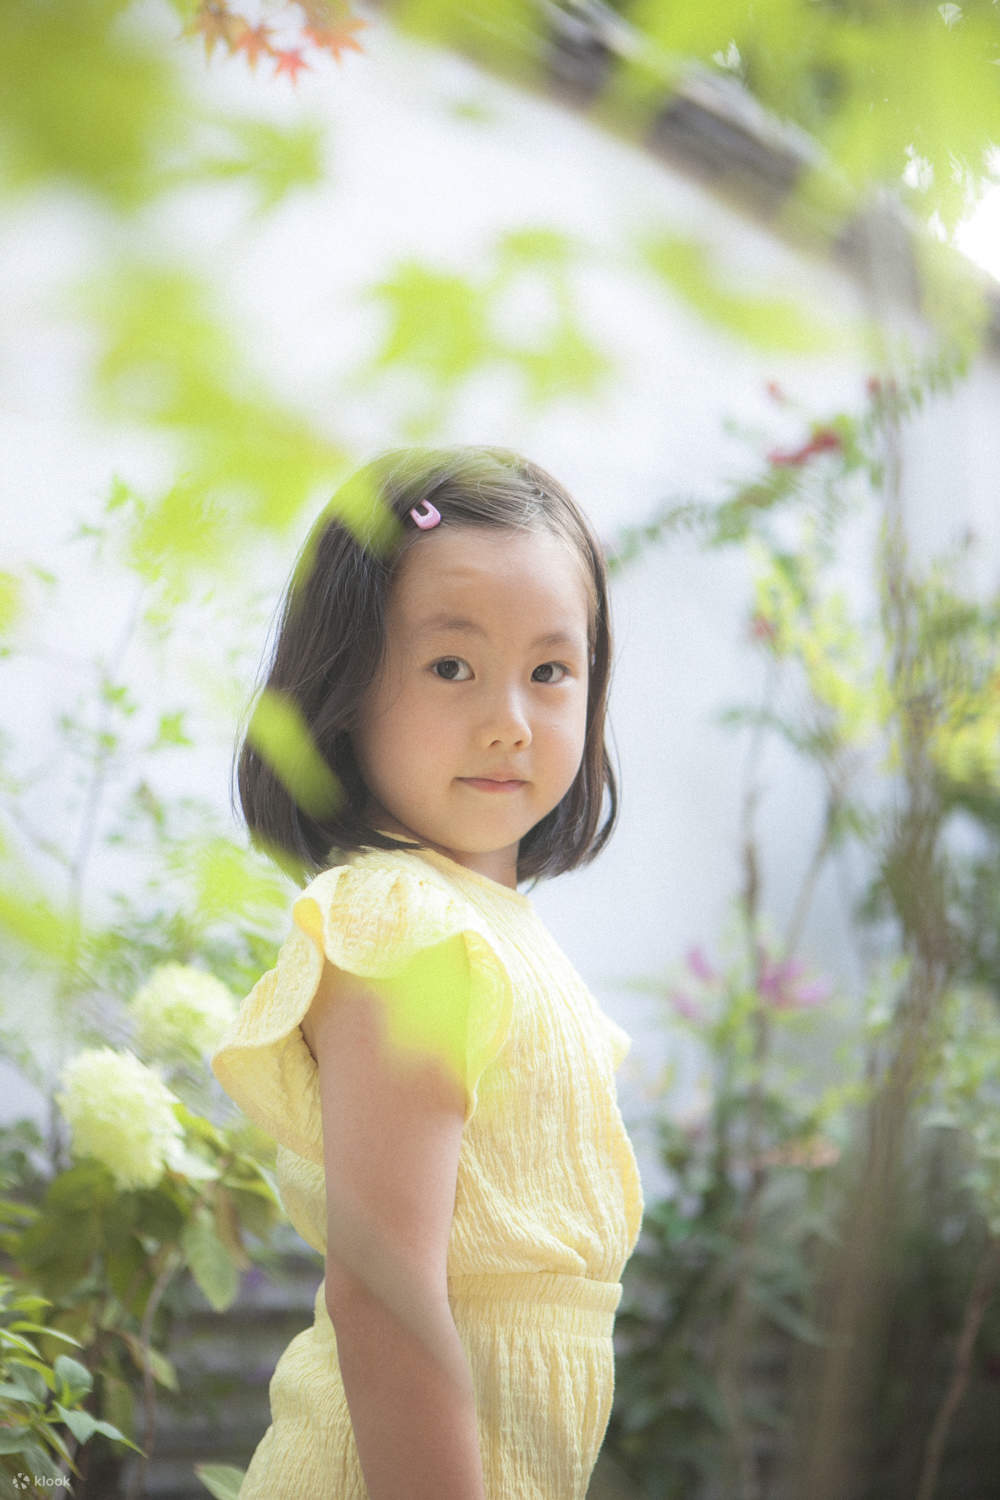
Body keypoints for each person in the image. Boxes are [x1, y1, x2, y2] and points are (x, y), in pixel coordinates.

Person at [211, 446, 644, 1500]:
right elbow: (384, 1286)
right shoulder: (400, 925)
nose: (509, 718)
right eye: (451, 666)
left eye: (550, 671)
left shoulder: (495, 928)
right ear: (346, 690)